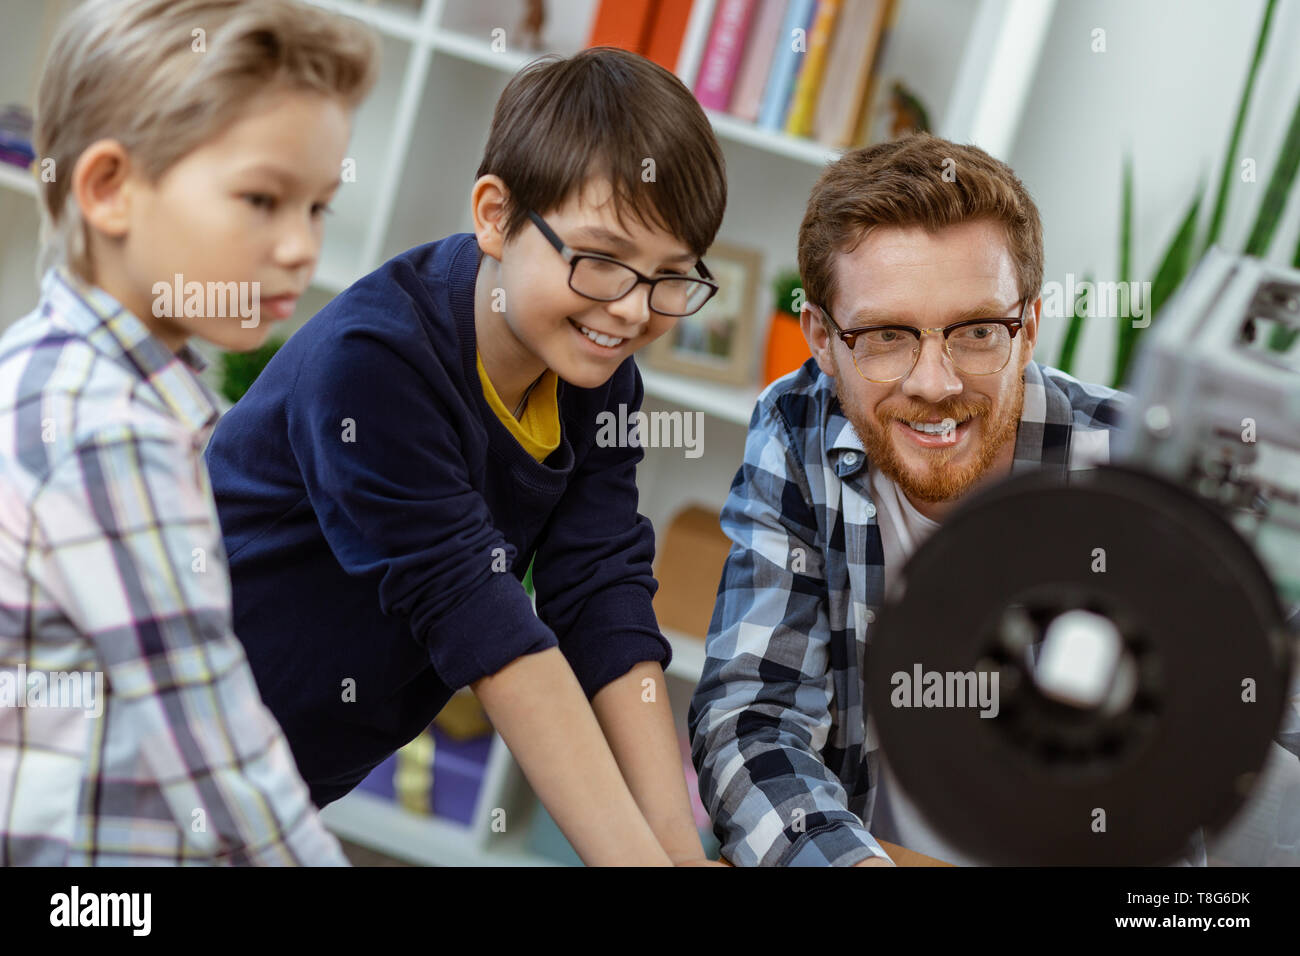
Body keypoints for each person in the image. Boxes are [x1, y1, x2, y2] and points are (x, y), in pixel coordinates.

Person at [204, 47, 728, 866]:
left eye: (670, 278)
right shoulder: (375, 363)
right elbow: (488, 632)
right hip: (141, 751)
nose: (631, 311)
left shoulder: (593, 376)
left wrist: (678, 851)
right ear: (496, 214)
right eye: (601, 261)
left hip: (283, 787)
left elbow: (602, 594)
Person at [689, 132, 1222, 866]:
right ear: (821, 337)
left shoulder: (1141, 471)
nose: (935, 383)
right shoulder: (797, 425)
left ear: (1028, 328)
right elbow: (752, 720)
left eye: (976, 331)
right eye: (884, 336)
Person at [0, 0, 378, 864]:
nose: (298, 248)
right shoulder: (109, 435)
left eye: (319, 207)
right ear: (108, 189)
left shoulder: (52, 363)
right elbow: (225, 759)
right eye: (262, 199)